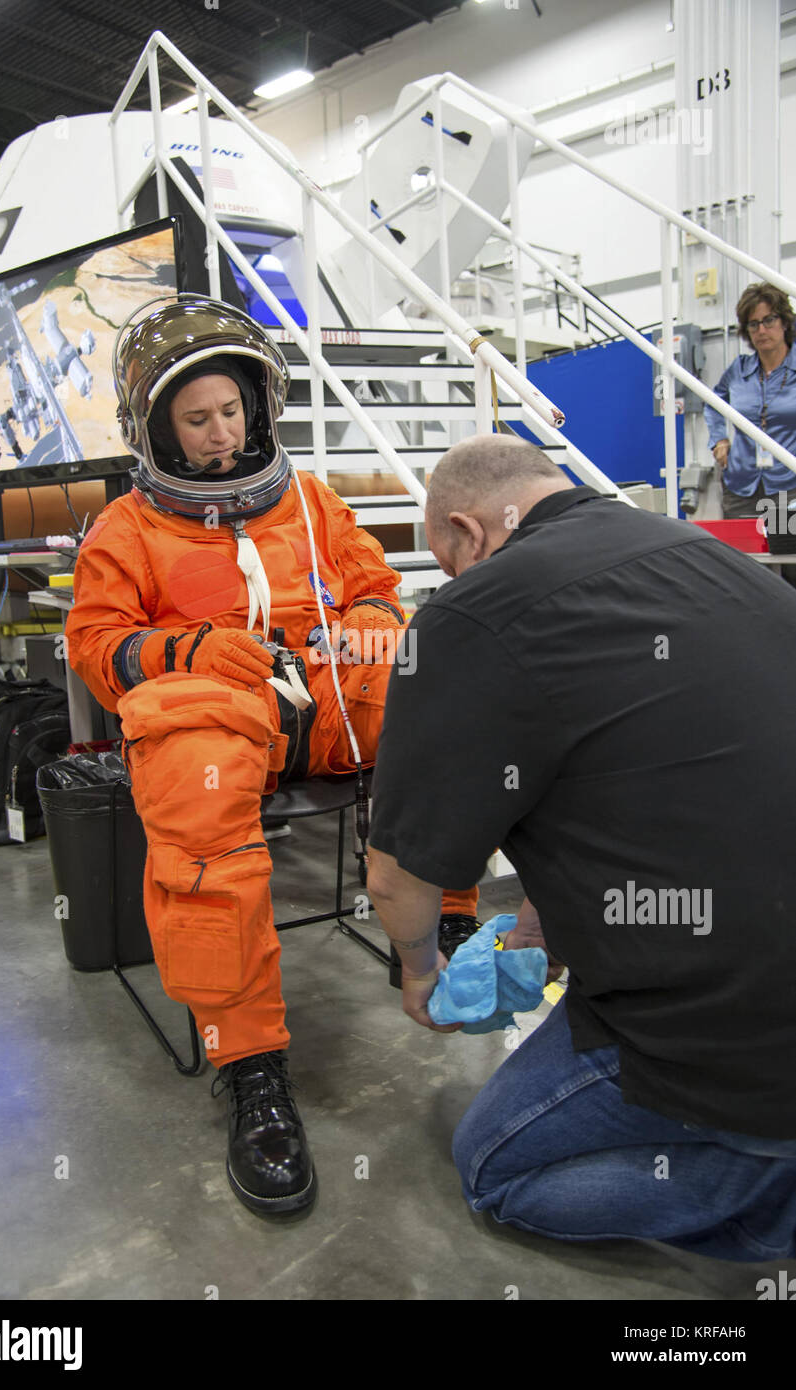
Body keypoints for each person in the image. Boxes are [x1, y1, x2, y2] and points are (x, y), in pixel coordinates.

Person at [65, 295, 479, 1216]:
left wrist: (372, 621)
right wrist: (184, 649)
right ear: (160, 430)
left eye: (231, 411)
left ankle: (445, 921)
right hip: (220, 707)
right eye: (197, 419)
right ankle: (249, 1063)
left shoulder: (310, 500)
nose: (221, 433)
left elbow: (373, 584)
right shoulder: (127, 529)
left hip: (326, 697)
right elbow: (96, 647)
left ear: (258, 404)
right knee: (181, 737)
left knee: (436, 678)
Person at [367, 433, 796, 1262]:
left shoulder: (470, 614)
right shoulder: (709, 557)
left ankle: (765, 1182)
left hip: (729, 1029)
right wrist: (536, 924)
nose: (454, 579)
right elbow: (625, 777)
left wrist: (419, 970)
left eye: (446, 560)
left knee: (492, 1169)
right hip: (761, 954)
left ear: (469, 529)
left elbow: (394, 876)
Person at [705, 282, 796, 557]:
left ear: (784, 321)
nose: (761, 330)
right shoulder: (739, 370)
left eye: (769, 320)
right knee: (745, 566)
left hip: (787, 487)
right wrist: (719, 438)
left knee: (788, 564)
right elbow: (713, 403)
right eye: (753, 324)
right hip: (741, 485)